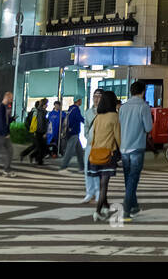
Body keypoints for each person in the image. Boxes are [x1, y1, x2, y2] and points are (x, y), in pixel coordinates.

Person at [118, 82, 152, 220]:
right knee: (133, 178)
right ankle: (126, 207)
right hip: (137, 146)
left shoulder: (123, 107)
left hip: (124, 146)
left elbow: (119, 124)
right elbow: (148, 127)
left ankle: (134, 205)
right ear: (143, 92)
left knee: (128, 177)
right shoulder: (143, 107)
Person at [87, 91, 121, 221]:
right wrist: (122, 151)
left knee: (101, 183)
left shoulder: (98, 117)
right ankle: (97, 211)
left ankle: (106, 207)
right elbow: (118, 137)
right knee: (104, 185)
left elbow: (92, 136)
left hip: (95, 153)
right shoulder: (114, 116)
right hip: (108, 154)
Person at [59, 97, 85, 171]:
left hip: (71, 132)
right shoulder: (76, 109)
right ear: (78, 101)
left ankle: (82, 167)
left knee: (79, 151)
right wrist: (88, 123)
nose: (81, 102)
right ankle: (63, 166)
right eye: (81, 100)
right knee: (69, 151)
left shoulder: (70, 109)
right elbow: (79, 118)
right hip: (74, 132)